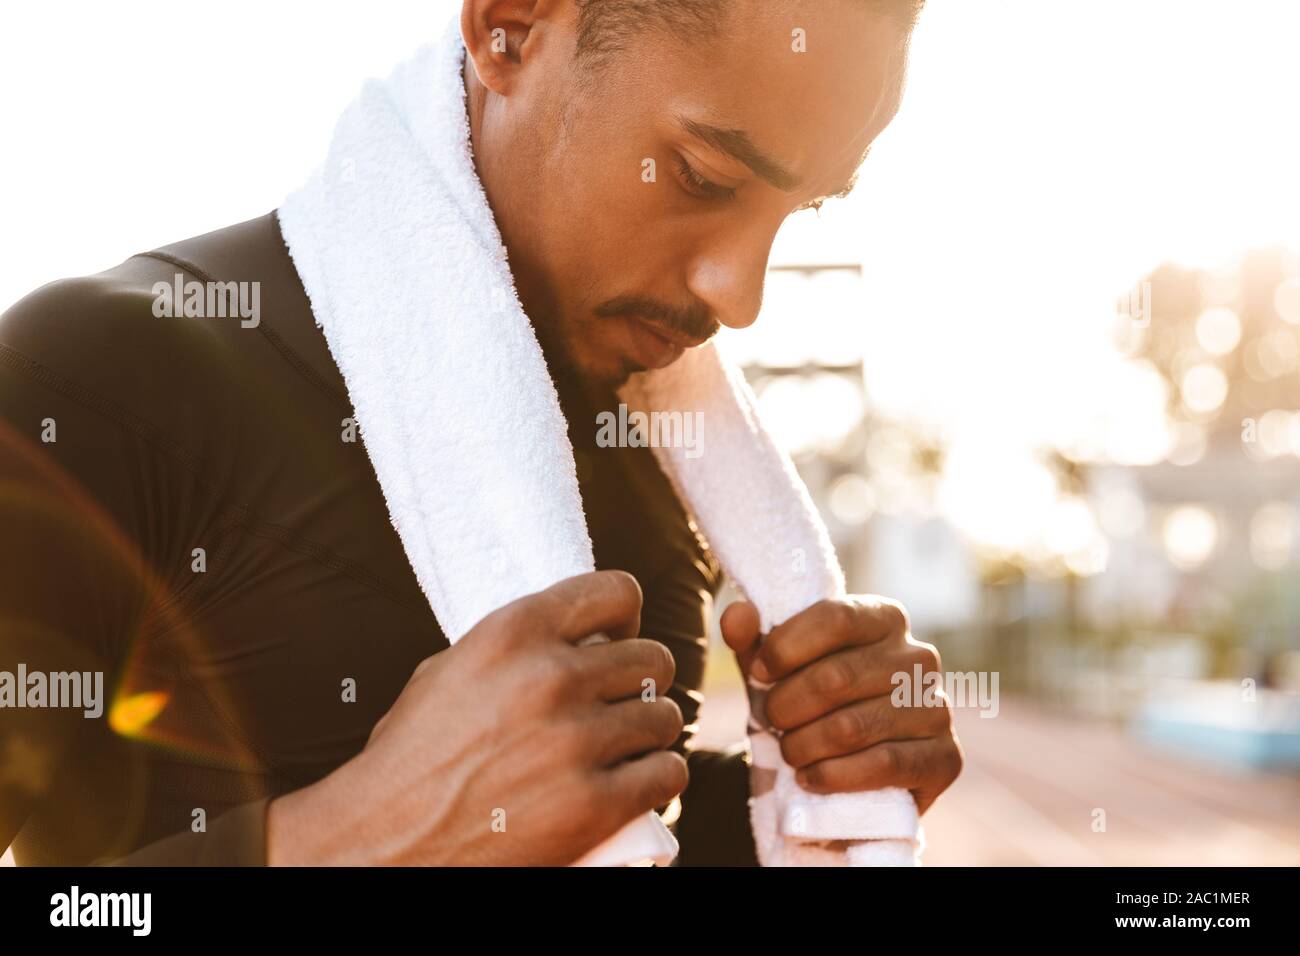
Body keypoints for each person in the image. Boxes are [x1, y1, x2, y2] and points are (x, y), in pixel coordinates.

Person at [0, 0, 960, 866]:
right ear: (510, 29)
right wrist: (361, 840)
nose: (738, 297)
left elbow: (611, 842)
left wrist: (808, 791)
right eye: (702, 177)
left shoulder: (650, 447)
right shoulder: (92, 374)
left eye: (800, 210)